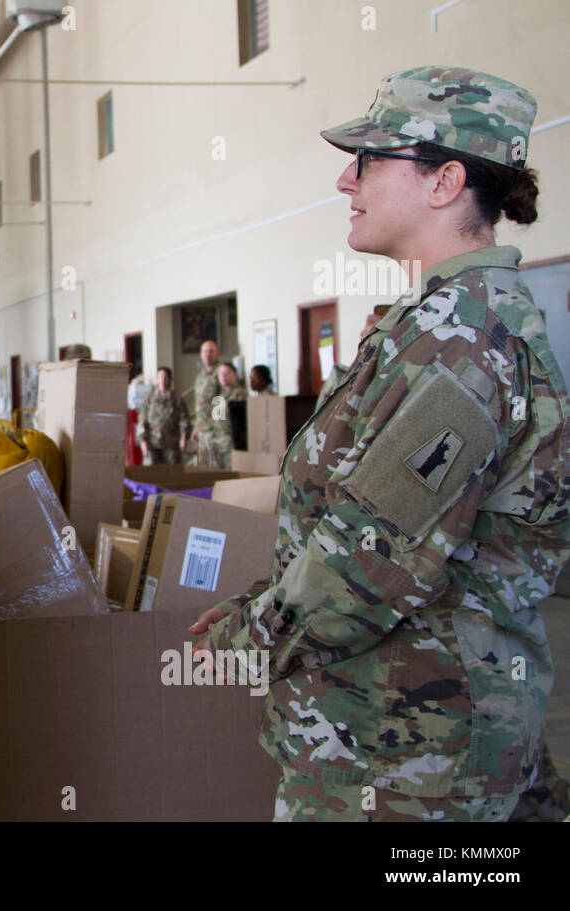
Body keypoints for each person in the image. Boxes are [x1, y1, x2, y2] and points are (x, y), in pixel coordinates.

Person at [191, 66, 570, 821]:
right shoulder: (442, 322)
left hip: (413, 760)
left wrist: (249, 633)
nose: (343, 179)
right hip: (410, 732)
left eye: (368, 160)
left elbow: (373, 559)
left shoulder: (461, 340)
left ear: (445, 182)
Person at [137, 367, 189, 465]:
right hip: (153, 444)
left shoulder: (177, 400)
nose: (163, 380)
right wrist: (143, 440)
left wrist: (184, 437)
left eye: (165, 377)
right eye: (160, 377)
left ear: (170, 379)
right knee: (151, 474)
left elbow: (184, 420)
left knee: (172, 474)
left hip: (171, 444)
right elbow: (142, 420)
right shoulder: (150, 399)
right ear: (157, 380)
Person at [188, 339, 222, 466]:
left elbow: (222, 400)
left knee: (216, 466)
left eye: (211, 351)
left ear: (217, 354)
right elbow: (199, 405)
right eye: (205, 351)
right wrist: (196, 427)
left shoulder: (221, 373)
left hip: (215, 430)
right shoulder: (200, 376)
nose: (208, 354)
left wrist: (219, 428)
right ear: (201, 355)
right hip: (202, 430)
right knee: (203, 465)